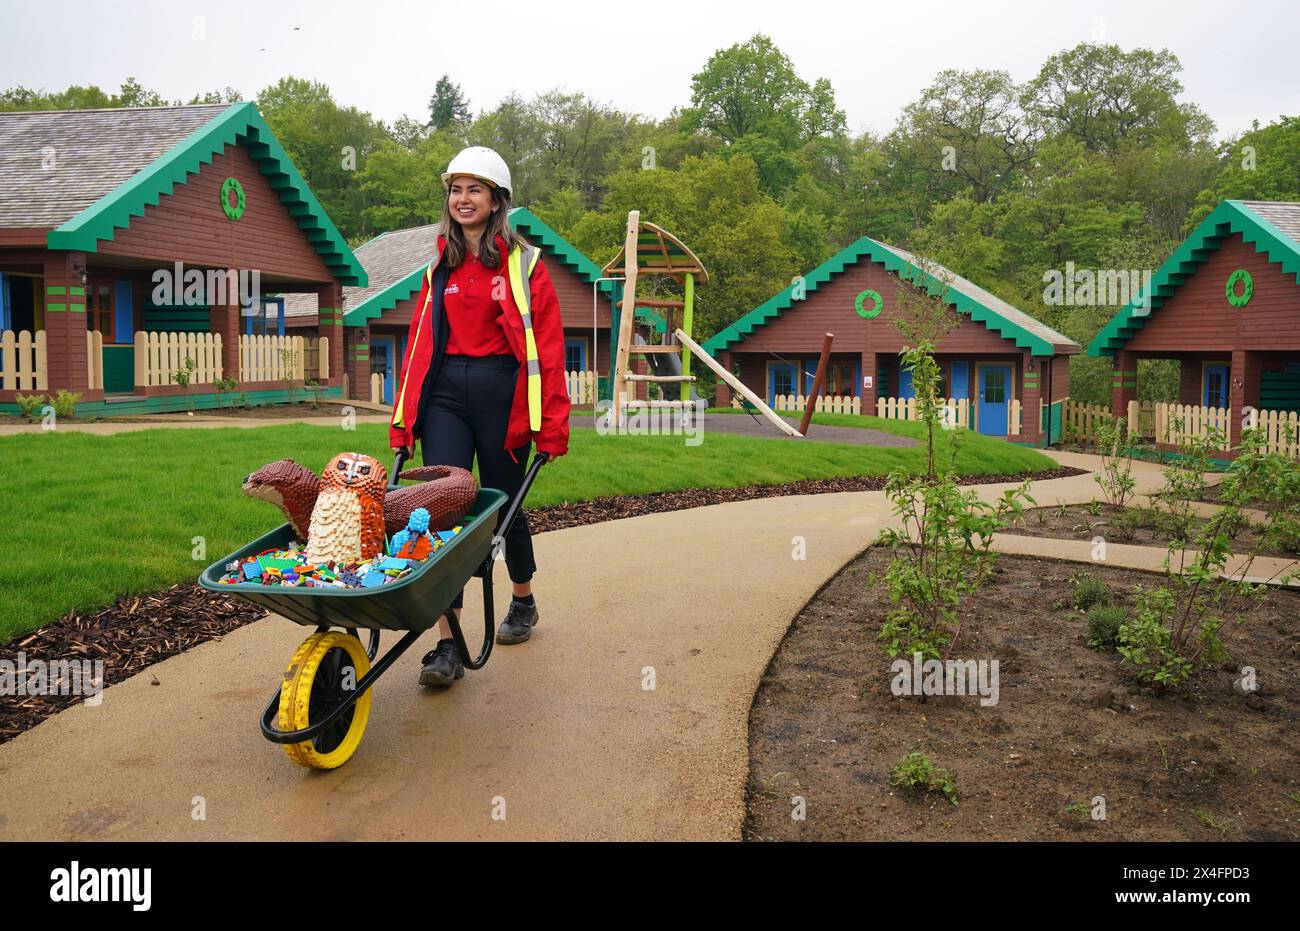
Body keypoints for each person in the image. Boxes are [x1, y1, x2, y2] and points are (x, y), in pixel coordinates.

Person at [389, 146, 570, 688]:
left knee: (500, 501)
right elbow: (420, 343)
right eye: (455, 189)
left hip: (501, 393)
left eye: (475, 190)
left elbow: (547, 346)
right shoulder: (438, 266)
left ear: (496, 201)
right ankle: (448, 643)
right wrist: (404, 420)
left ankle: (523, 598)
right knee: (443, 510)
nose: (463, 199)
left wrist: (552, 423)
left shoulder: (525, 264)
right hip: (446, 394)